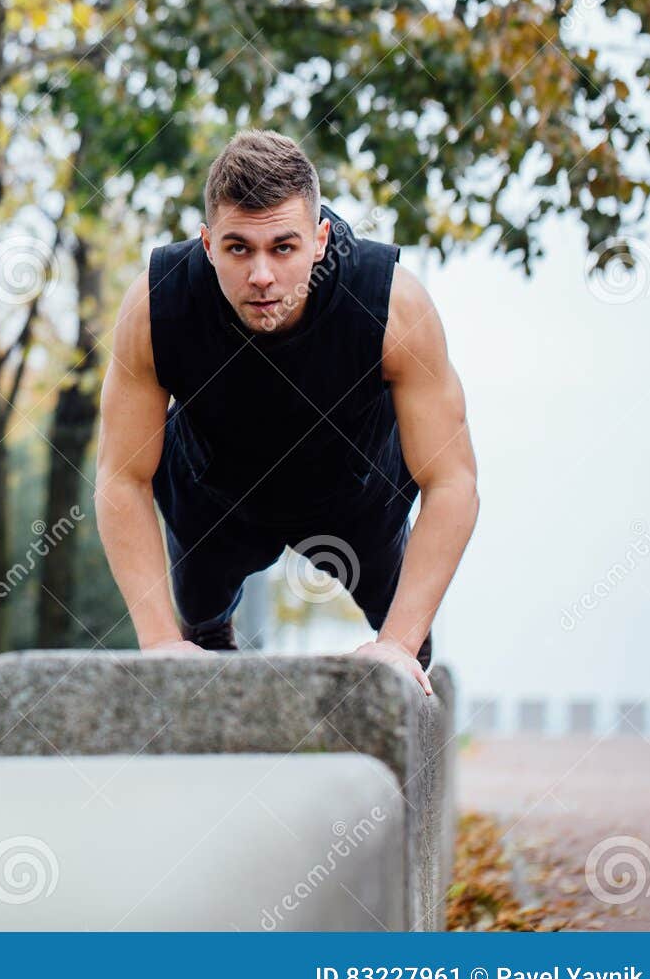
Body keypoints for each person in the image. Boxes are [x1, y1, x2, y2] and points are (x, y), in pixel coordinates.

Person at [94, 129, 479, 696]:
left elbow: (453, 482)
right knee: (191, 641)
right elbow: (121, 477)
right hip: (215, 499)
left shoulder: (393, 305)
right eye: (238, 248)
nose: (262, 277)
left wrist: (396, 642)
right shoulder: (158, 307)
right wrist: (158, 642)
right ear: (206, 244)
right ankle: (201, 639)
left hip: (357, 496)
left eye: (283, 246)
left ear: (320, 239)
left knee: (406, 652)